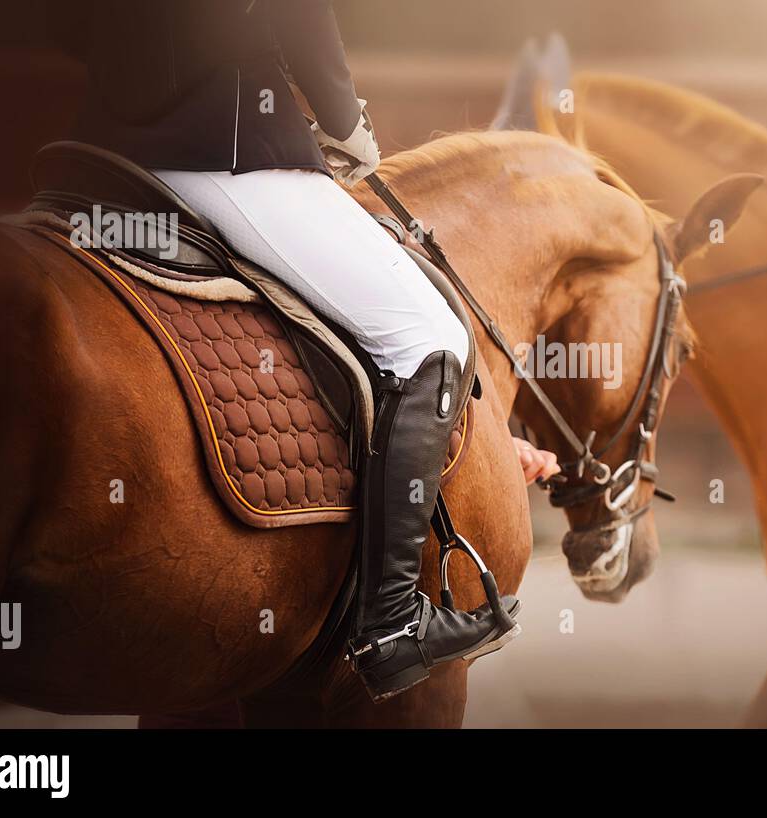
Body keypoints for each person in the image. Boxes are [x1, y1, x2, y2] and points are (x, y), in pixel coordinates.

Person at [71, 0, 558, 699]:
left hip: (100, 156)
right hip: (226, 151)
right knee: (429, 340)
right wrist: (343, 120)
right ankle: (391, 622)